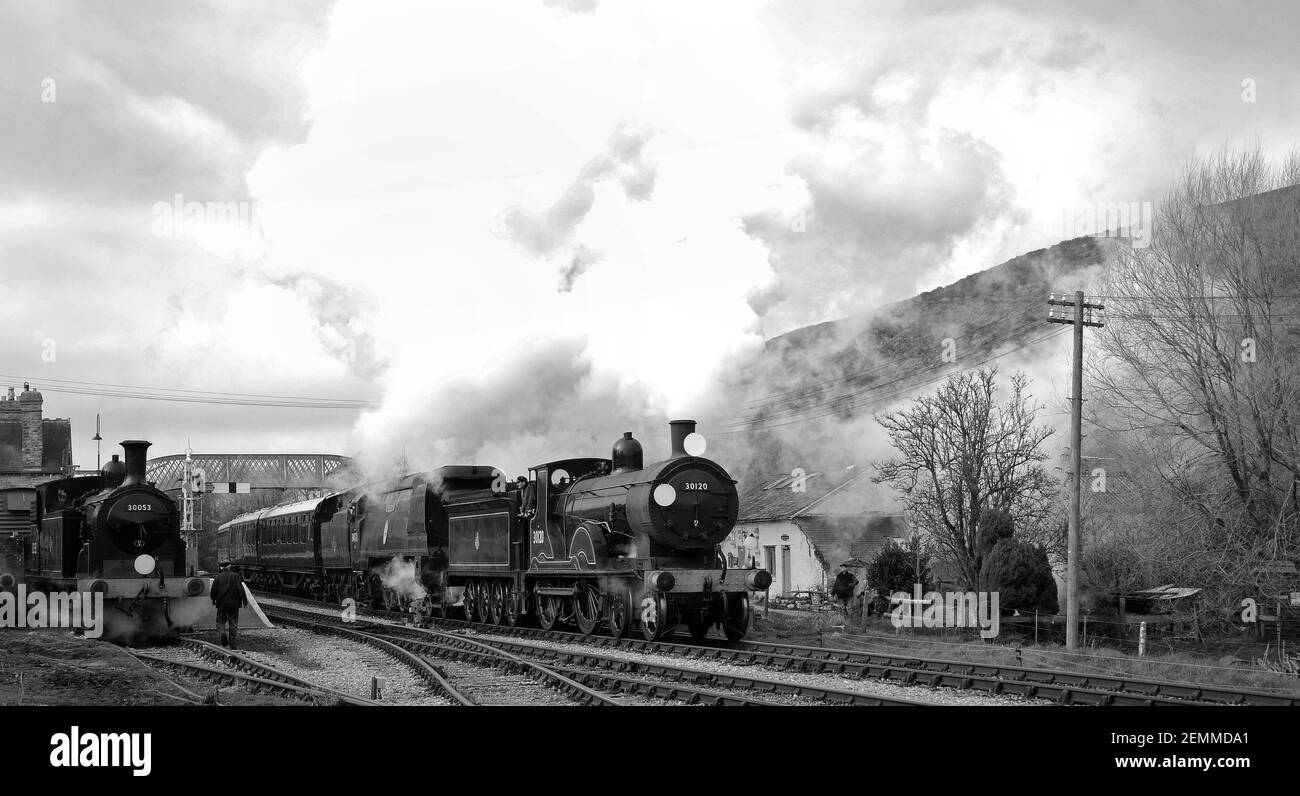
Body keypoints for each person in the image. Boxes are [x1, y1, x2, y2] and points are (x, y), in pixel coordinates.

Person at [211, 561, 248, 648]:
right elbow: (241, 589)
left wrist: (213, 599)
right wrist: (245, 601)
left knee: (220, 621)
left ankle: (223, 634)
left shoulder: (217, 577)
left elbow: (213, 591)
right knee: (233, 623)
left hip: (221, 604)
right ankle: (233, 644)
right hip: (234, 604)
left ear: (221, 568)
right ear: (229, 567)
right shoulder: (235, 576)